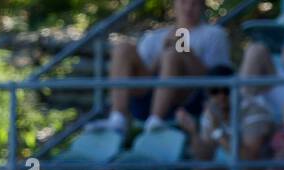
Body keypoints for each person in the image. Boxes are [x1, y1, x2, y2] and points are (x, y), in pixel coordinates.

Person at [98, 0, 232, 135]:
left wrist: (185, 52)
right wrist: (161, 55)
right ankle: (117, 119)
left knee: (172, 54)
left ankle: (156, 121)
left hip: (188, 97)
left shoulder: (214, 34)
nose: (188, 8)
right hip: (147, 95)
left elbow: (216, 78)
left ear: (202, 6)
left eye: (194, 3)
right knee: (123, 48)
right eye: (184, 2)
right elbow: (147, 73)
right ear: (175, 4)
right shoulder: (154, 36)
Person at [175, 66, 275, 170]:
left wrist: (217, 132)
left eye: (226, 90)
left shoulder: (253, 109)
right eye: (214, 91)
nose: (221, 96)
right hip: (235, 167)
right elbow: (204, 155)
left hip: (265, 166)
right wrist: (193, 132)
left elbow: (248, 158)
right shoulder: (211, 113)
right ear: (208, 95)